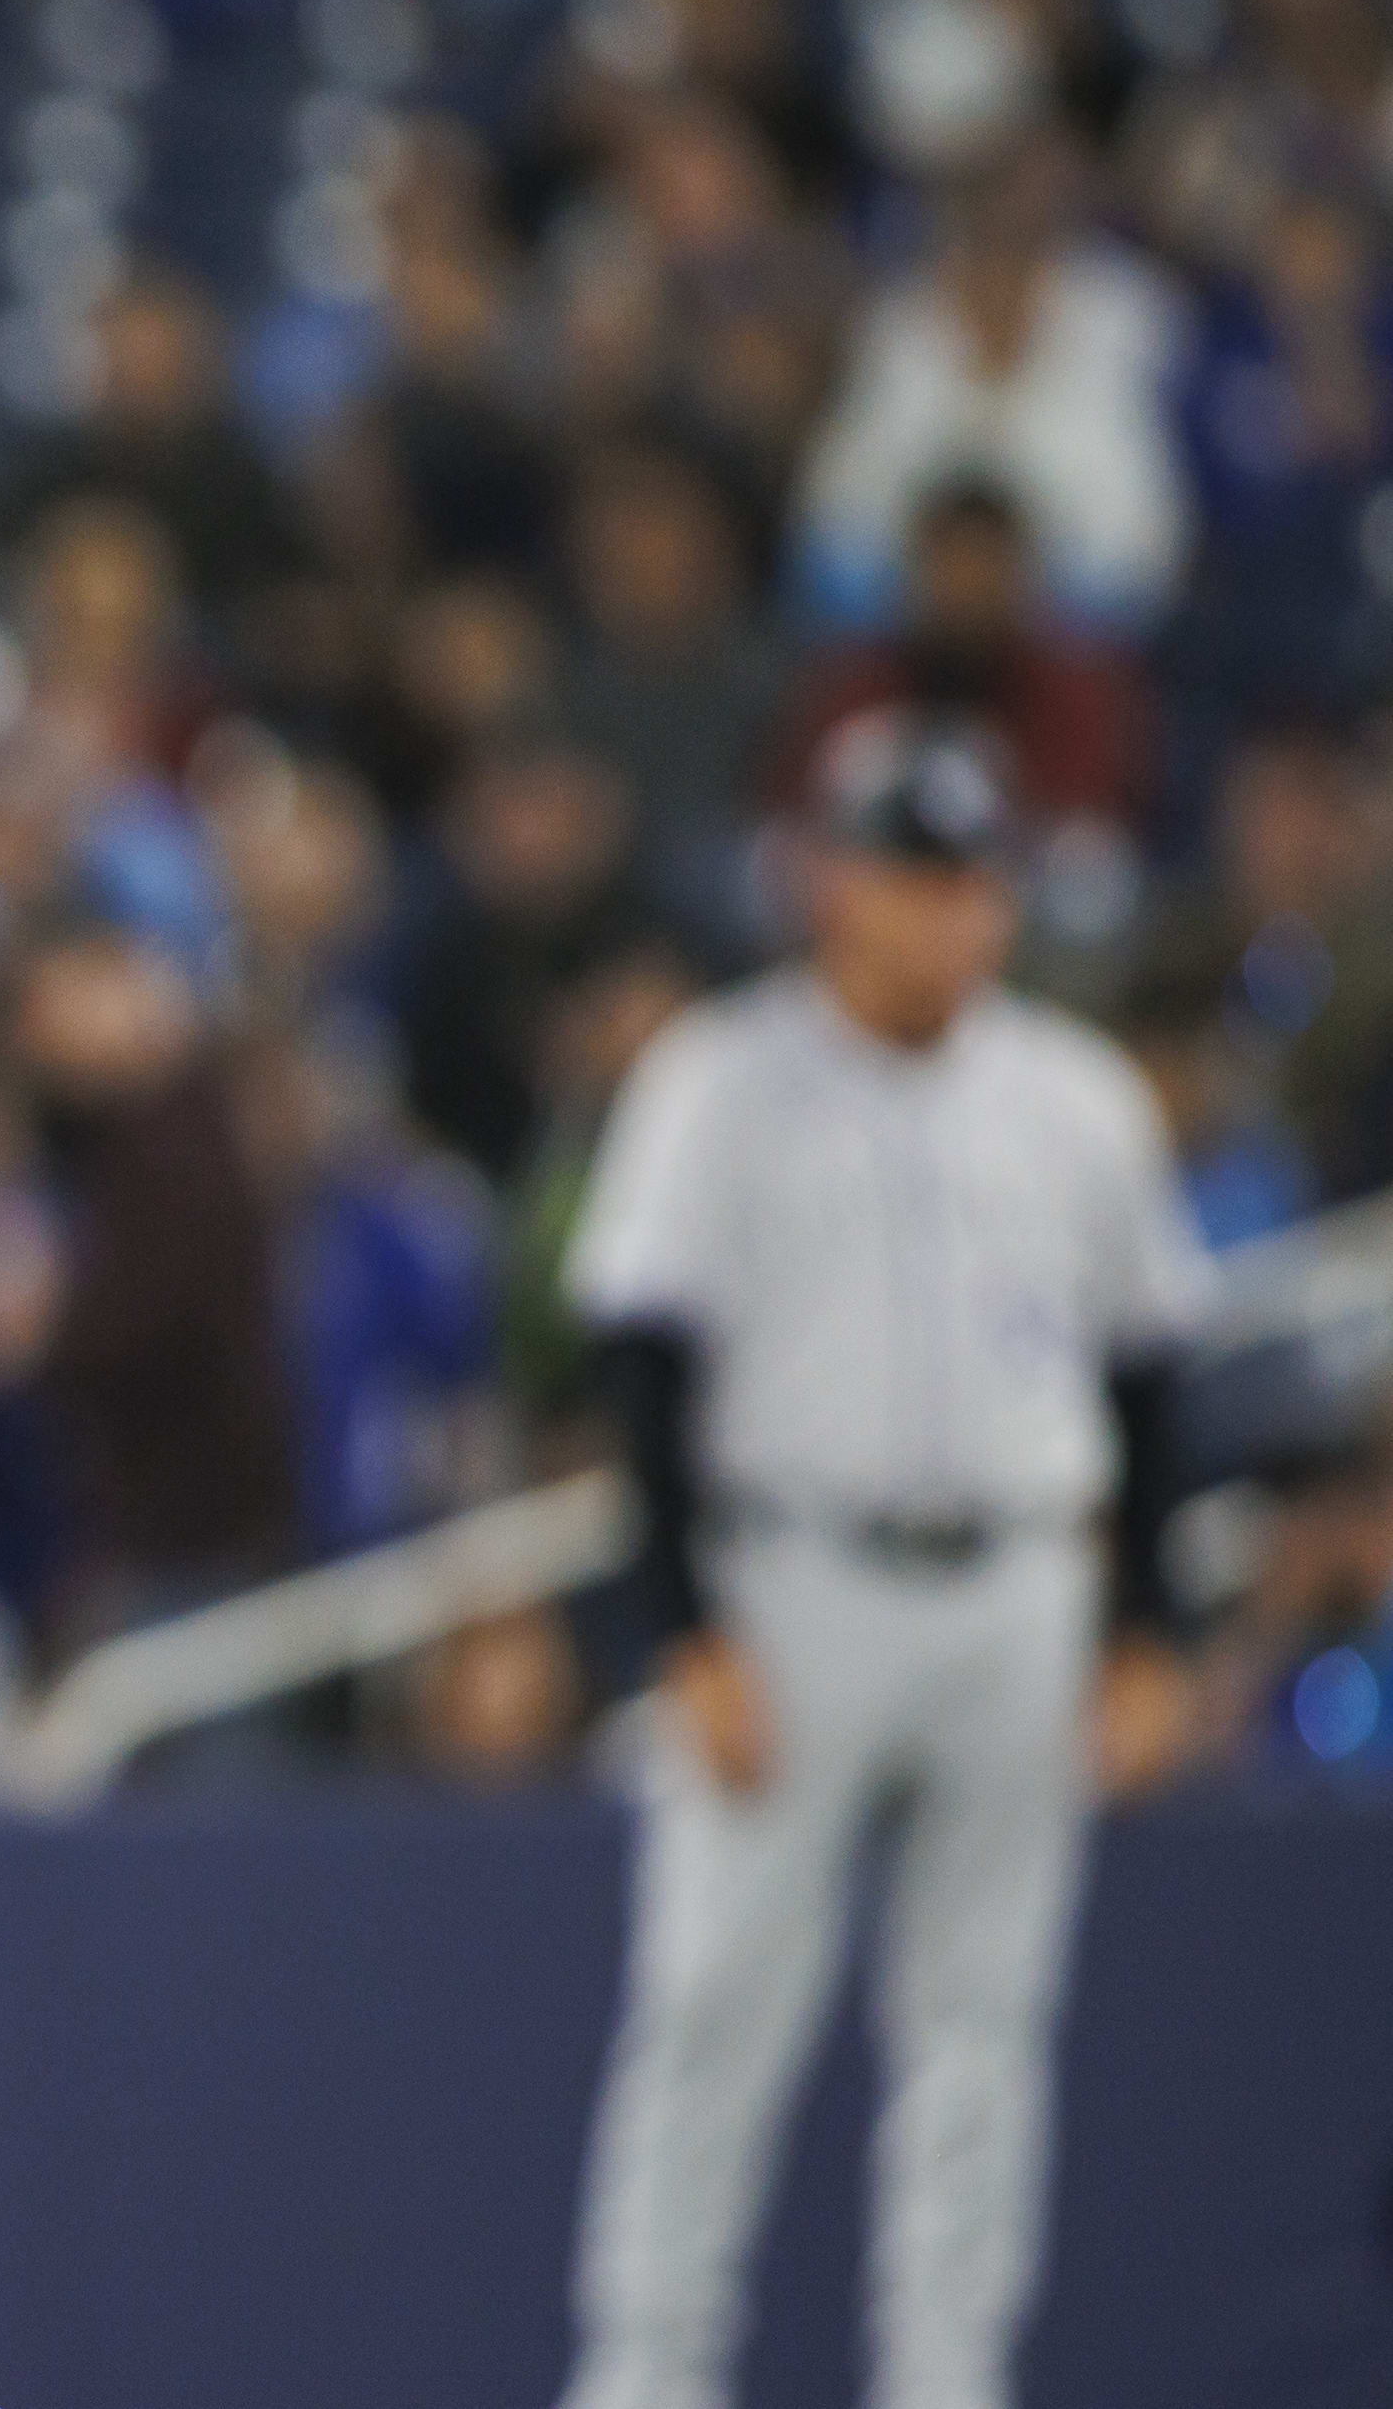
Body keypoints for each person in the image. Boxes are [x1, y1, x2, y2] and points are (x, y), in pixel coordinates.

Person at [555, 723, 1209, 2409]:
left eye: (970, 879)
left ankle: (949, 2383)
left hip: (1018, 1587)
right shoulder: (722, 1076)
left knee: (983, 2035)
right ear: (834, 879)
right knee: (713, 2020)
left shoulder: (1071, 1095)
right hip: (791, 1583)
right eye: (912, 873)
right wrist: (685, 1628)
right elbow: (643, 1375)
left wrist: (1147, 1628)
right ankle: (646, 2382)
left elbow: (1149, 1377)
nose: (944, 914)